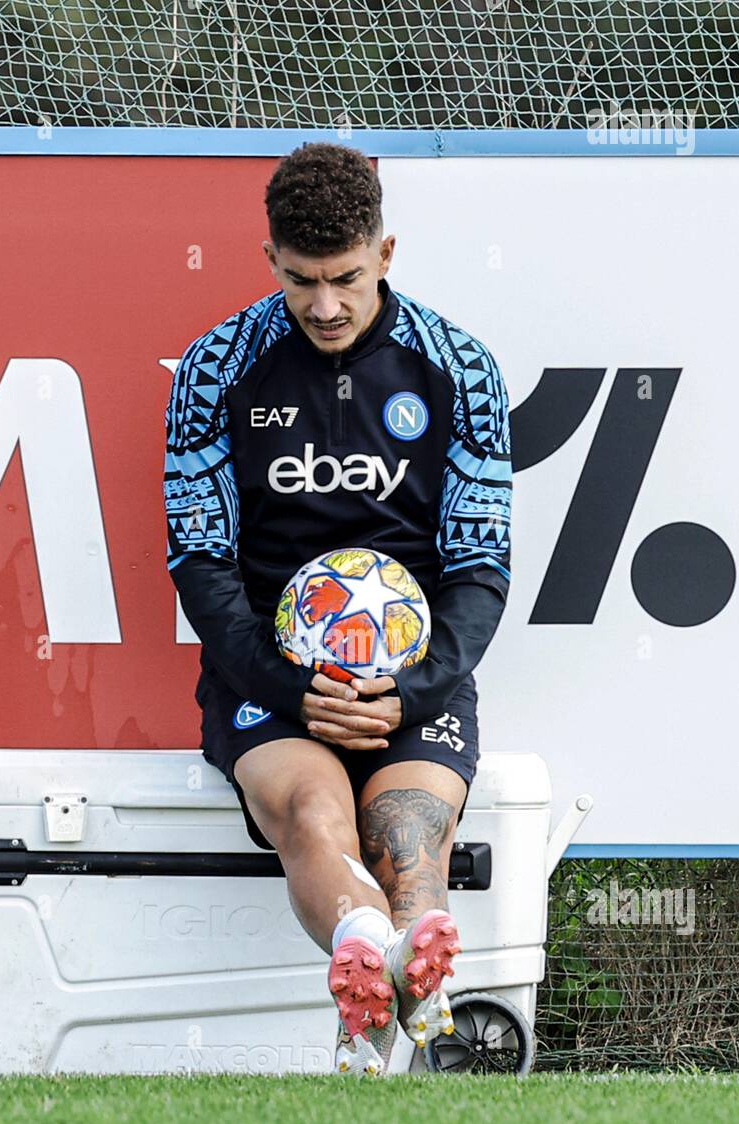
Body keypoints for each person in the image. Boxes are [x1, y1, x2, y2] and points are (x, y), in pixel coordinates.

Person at [164, 141, 512, 1076]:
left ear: (386, 254)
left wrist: (409, 688)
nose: (324, 305)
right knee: (314, 815)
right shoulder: (213, 371)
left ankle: (372, 976)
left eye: (347, 279)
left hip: (414, 682)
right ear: (269, 259)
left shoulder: (463, 372)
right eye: (302, 280)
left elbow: (481, 567)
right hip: (272, 684)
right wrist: (288, 681)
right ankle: (386, 956)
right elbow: (200, 563)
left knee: (413, 839)